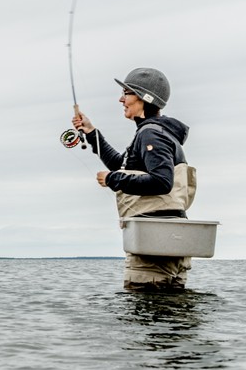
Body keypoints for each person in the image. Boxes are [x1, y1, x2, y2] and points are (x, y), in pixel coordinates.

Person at [71, 68, 196, 292]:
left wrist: (113, 179)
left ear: (144, 97)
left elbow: (161, 181)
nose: (121, 99)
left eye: (126, 93)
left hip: (153, 245)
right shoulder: (158, 132)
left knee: (143, 321)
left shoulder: (151, 134)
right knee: (168, 323)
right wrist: (91, 133)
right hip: (171, 241)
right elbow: (124, 165)